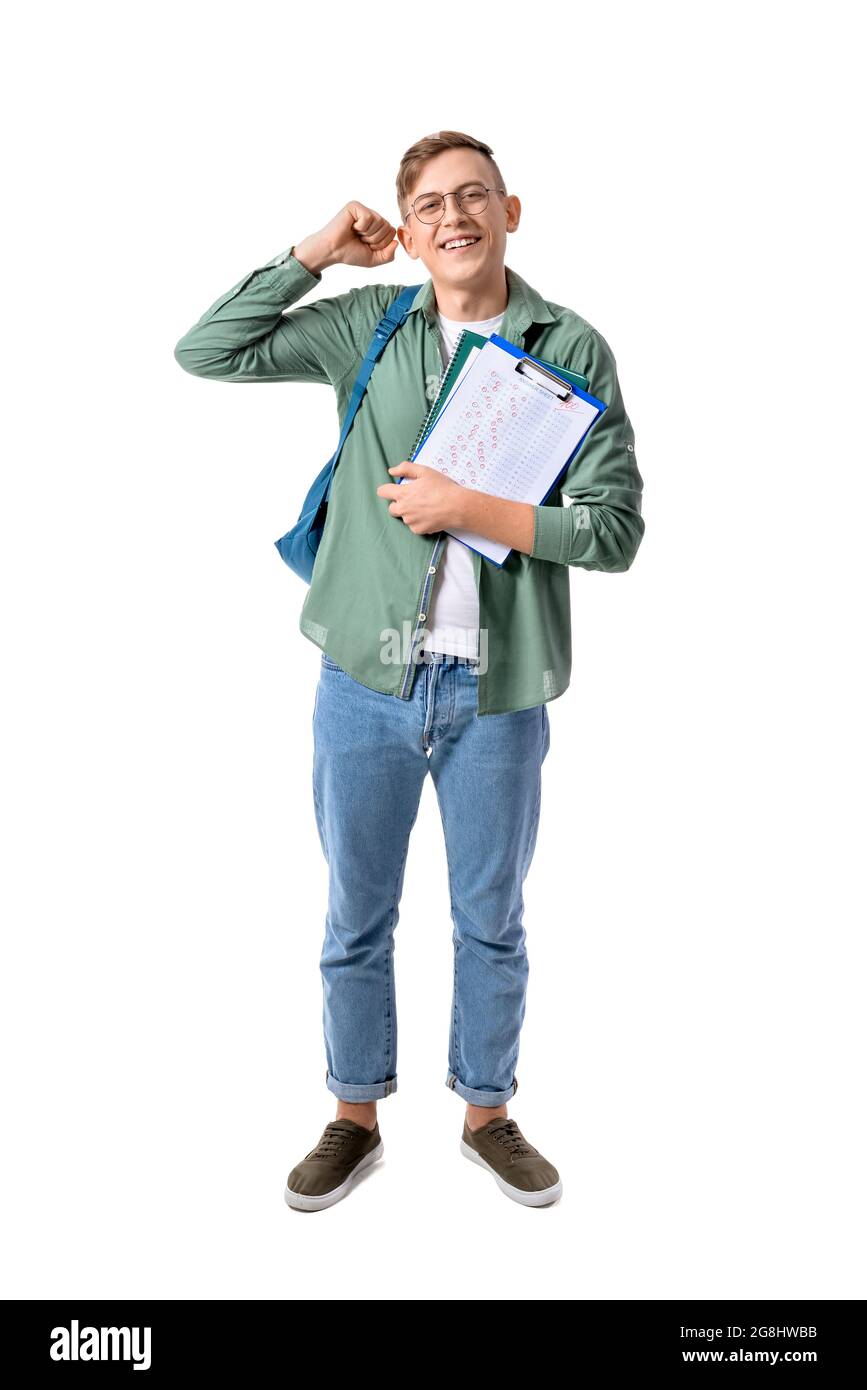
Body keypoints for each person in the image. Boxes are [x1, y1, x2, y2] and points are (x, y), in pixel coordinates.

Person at [174, 130, 645, 1211]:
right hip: (365, 680)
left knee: (492, 917)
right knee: (356, 913)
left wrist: (469, 508)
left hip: (499, 689)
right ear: (410, 229)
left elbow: (613, 531)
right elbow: (210, 350)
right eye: (429, 204)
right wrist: (316, 251)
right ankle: (355, 1115)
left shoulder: (567, 345)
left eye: (473, 196)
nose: (453, 217)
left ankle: (488, 1112)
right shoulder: (368, 326)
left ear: (511, 211)